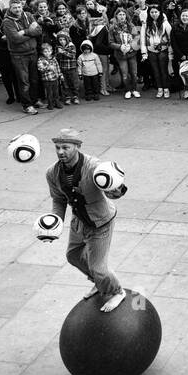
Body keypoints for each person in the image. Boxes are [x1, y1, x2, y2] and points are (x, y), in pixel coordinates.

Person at [45, 128, 126, 313]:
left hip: (100, 222)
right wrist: (54, 224)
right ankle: (99, 282)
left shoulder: (94, 167)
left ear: (77, 147)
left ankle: (117, 291)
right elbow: (59, 199)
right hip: (79, 220)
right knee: (73, 255)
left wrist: (116, 188)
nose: (60, 152)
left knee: (99, 268)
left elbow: (112, 190)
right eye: (57, 147)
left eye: (65, 147)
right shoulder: (52, 173)